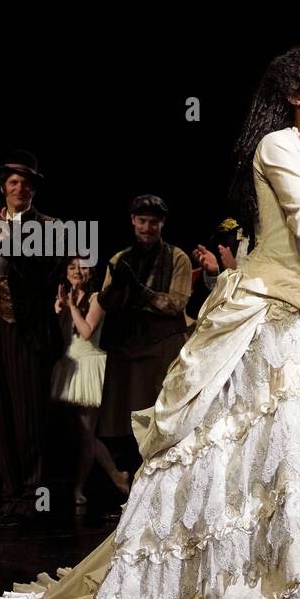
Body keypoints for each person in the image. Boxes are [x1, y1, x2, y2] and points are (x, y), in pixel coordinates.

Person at [0, 47, 300, 599]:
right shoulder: (279, 147)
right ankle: (218, 590)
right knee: (244, 454)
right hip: (270, 318)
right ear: (298, 94)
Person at [0, 151, 63, 527]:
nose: (19, 187)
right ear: (3, 188)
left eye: (26, 182)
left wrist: (3, 238)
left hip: (30, 333)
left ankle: (35, 503)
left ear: (34, 189)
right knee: (3, 418)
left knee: (30, 419)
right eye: (13, 182)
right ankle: (11, 500)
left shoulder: (50, 225)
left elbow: (40, 274)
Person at [95, 195, 192, 475]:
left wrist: (140, 291)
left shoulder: (177, 258)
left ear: (162, 224)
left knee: (160, 421)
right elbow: (105, 302)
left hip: (161, 347)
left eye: (153, 222)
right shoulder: (119, 258)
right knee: (122, 426)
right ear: (133, 221)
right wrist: (115, 290)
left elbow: (177, 302)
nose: (147, 227)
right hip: (127, 348)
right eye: (142, 221)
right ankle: (128, 489)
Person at [51, 257, 130, 505]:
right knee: (80, 433)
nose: (77, 271)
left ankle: (83, 487)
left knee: (87, 432)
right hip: (68, 366)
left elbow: (86, 332)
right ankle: (115, 475)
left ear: (91, 271)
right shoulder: (62, 297)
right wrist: (62, 306)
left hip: (88, 366)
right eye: (72, 267)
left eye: (82, 267)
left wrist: (73, 307)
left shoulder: (97, 298)